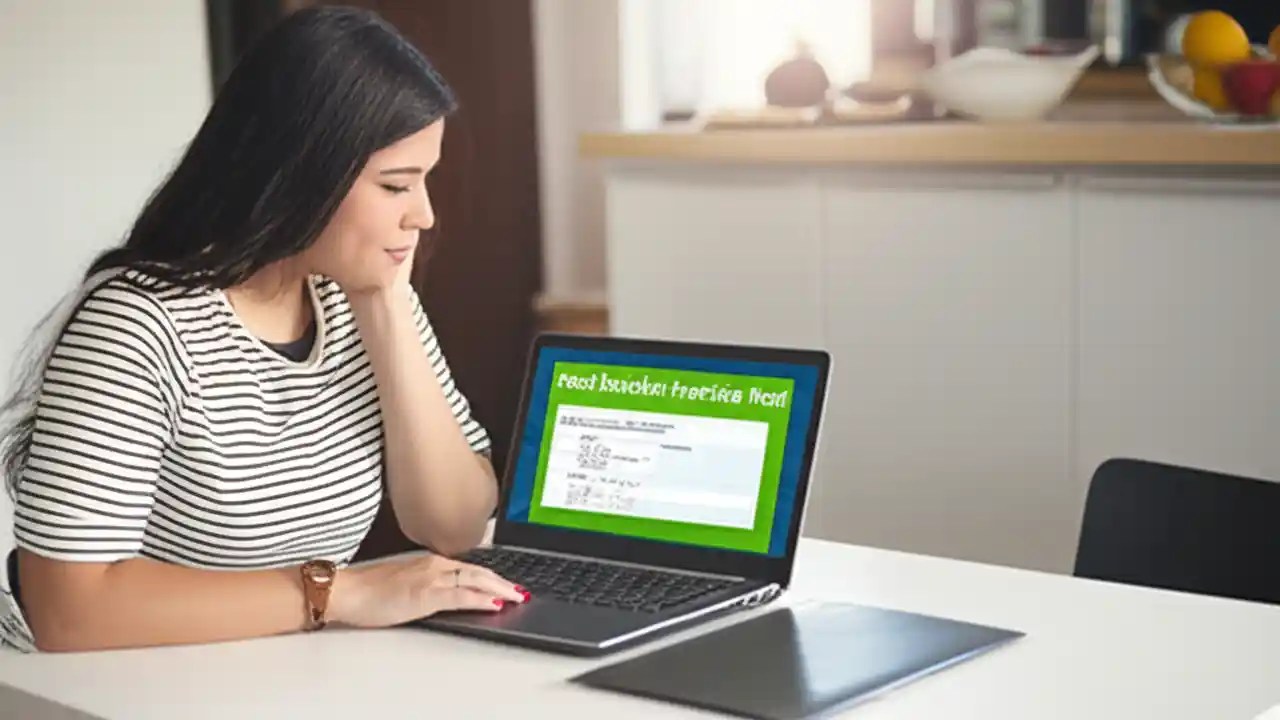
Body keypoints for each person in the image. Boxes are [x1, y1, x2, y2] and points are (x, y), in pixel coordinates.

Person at [0, 6, 529, 653]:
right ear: (303, 173)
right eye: (396, 186)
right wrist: (343, 592)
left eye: (425, 181)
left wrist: (386, 307)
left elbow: (454, 525)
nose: (423, 215)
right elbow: (68, 614)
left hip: (272, 676)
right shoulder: (138, 324)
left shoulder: (357, 300)